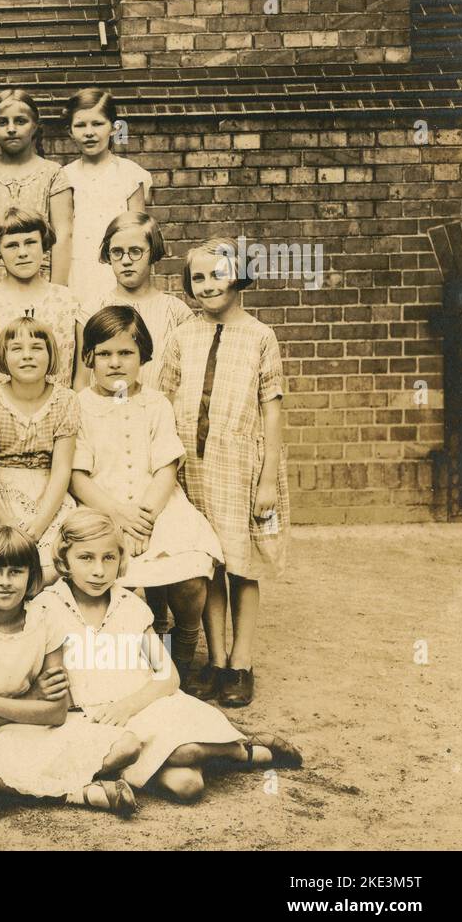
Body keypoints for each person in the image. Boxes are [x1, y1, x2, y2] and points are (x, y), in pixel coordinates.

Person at [38, 509, 302, 802]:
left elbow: (168, 676)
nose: (99, 570)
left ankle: (244, 749)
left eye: (108, 558)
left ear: (121, 559)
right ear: (64, 559)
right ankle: (242, 754)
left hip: (141, 709)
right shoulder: (48, 607)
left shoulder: (131, 605)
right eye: (86, 558)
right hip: (90, 720)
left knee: (184, 750)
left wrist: (127, 706)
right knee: (188, 785)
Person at [157, 238, 290, 707]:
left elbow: (271, 409)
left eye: (218, 274)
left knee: (242, 565)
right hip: (193, 467)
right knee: (207, 563)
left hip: (241, 466)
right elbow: (164, 399)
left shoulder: (260, 336)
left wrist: (268, 478)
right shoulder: (182, 337)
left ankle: (241, 662)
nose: (208, 285)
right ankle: (214, 661)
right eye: (198, 278)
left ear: (240, 276)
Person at [0, 526, 139, 816]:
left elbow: (55, 713)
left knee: (128, 745)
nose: (5, 582)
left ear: (31, 575)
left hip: (38, 732)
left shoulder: (45, 620)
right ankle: (76, 793)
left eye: (16, 572)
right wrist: (31, 701)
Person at [70, 306, 224, 684]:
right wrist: (118, 516)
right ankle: (131, 659)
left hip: (158, 506)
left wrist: (145, 518)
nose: (115, 363)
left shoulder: (155, 404)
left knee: (190, 572)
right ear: (88, 356)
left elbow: (166, 467)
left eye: (126, 353)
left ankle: (184, 648)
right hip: (102, 507)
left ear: (143, 356)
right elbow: (77, 475)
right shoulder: (79, 405)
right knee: (111, 576)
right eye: (104, 353)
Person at [0, 317, 79, 587]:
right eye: (17, 348)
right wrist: (6, 521)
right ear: (3, 356)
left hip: (48, 494)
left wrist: (41, 521)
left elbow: (61, 469)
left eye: (36, 347)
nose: (27, 356)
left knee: (58, 556)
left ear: (50, 354)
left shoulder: (66, 399)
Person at [0, 206, 87, 389]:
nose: (22, 252)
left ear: (43, 244)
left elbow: (81, 381)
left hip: (58, 413)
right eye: (12, 245)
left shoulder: (68, 302)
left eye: (30, 242)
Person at [0, 88, 72, 292]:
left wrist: (57, 292)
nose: (11, 129)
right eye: (2, 122)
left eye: (20, 121)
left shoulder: (53, 174)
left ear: (35, 127)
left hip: (42, 280)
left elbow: (63, 235)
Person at [61, 89, 154, 313]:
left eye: (98, 124)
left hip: (118, 268)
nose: (89, 133)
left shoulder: (130, 175)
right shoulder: (64, 176)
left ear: (114, 127)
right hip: (78, 270)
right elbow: (62, 233)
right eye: (81, 125)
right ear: (70, 131)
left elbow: (141, 236)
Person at [84, 211, 193, 394]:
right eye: (117, 252)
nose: (126, 261)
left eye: (136, 251)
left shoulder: (177, 312)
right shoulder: (92, 309)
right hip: (105, 417)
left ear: (152, 253)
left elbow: (187, 380)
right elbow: (82, 380)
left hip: (159, 417)